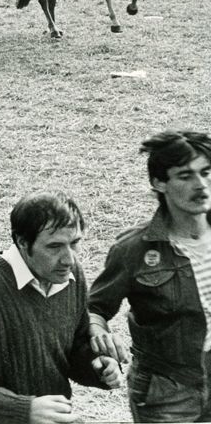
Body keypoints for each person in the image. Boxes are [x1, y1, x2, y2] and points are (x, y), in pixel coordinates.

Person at [0, 191, 122, 423]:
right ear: (22, 242)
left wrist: (98, 367)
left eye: (75, 243)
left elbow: (73, 348)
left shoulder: (71, 276)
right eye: (54, 247)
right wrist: (23, 410)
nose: (69, 259)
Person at [88, 131, 211, 422]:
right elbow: (94, 308)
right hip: (168, 389)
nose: (201, 185)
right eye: (185, 176)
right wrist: (100, 336)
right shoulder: (134, 249)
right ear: (159, 183)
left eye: (206, 172)